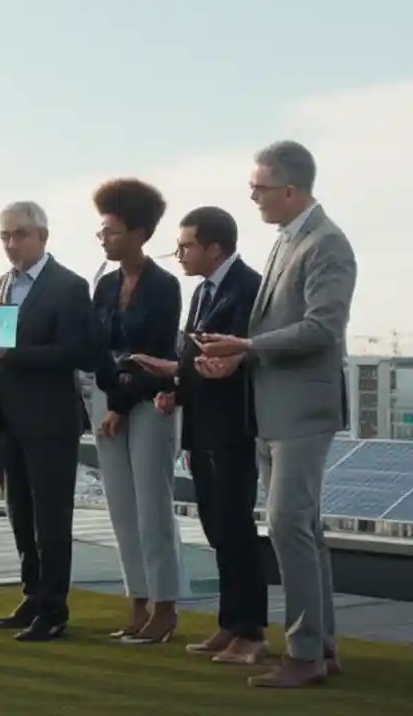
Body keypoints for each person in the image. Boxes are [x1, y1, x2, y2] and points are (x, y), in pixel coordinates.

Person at [196, 140, 356, 688]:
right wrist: (238, 356)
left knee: (288, 526)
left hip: (303, 411)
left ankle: (305, 654)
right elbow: (276, 330)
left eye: (260, 188)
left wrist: (246, 347)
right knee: (302, 529)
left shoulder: (326, 244)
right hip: (276, 409)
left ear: (290, 190)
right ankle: (321, 648)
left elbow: (320, 329)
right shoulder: (290, 240)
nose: (253, 197)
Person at [131, 206, 269, 664]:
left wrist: (180, 374)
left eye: (187, 245)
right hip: (203, 427)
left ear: (215, 247)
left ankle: (251, 631)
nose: (180, 254)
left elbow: (237, 361)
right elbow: (198, 361)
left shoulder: (247, 288)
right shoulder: (203, 292)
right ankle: (229, 624)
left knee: (235, 529)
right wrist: (176, 381)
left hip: (233, 428)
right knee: (216, 529)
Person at [0, 201, 96, 642]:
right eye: (5, 236)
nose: (11, 244)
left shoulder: (68, 286)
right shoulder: (3, 283)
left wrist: (10, 353)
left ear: (42, 236)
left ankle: (54, 608)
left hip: (51, 418)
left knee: (51, 518)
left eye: (20, 235)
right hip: (8, 415)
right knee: (20, 515)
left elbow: (76, 351)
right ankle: (33, 596)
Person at [90, 177, 185, 645]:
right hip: (108, 401)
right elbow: (98, 348)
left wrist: (122, 405)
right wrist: (110, 402)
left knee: (153, 506)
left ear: (139, 233)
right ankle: (138, 602)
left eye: (111, 231)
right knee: (121, 509)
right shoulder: (104, 286)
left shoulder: (164, 286)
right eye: (101, 231)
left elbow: (156, 353)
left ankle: (165, 607)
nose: (105, 239)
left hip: (150, 402)